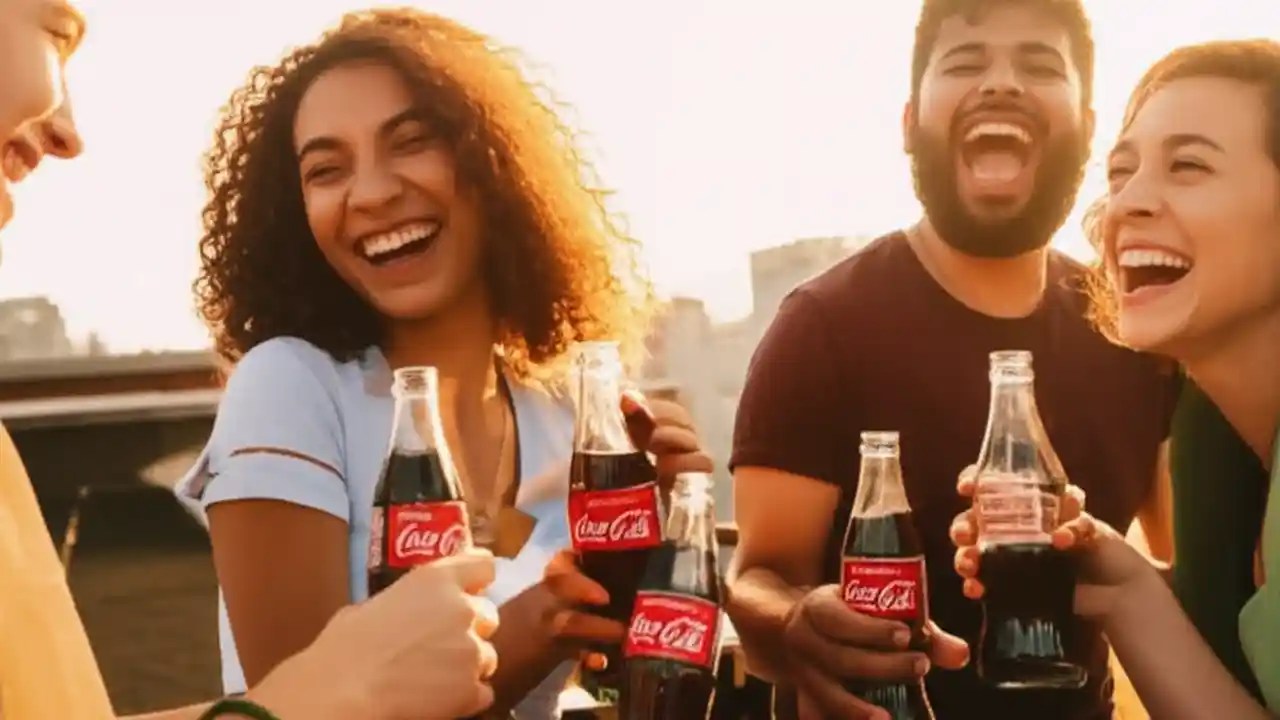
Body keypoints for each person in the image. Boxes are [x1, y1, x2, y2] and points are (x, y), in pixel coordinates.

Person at [172, 7, 713, 719]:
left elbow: (611, 660)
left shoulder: (562, 416)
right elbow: (304, 705)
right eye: (327, 170)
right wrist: (543, 623)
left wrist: (660, 539)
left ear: (498, 161)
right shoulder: (290, 386)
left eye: (413, 141)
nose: (370, 193)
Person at [0, 1, 501, 718]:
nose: (68, 134)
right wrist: (322, 696)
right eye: (55, 32)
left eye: (415, 142)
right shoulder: (289, 385)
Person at [725, 0, 1178, 718]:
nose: (1001, 84)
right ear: (911, 123)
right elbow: (759, 577)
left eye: (1039, 64)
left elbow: (1183, 577)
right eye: (967, 62)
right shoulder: (822, 327)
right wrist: (792, 620)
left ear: (1088, 127)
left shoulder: (1135, 329)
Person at [953, 37, 1280, 720]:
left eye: (1187, 166)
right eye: (1120, 173)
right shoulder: (1212, 438)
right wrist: (1118, 580)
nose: (1127, 203)